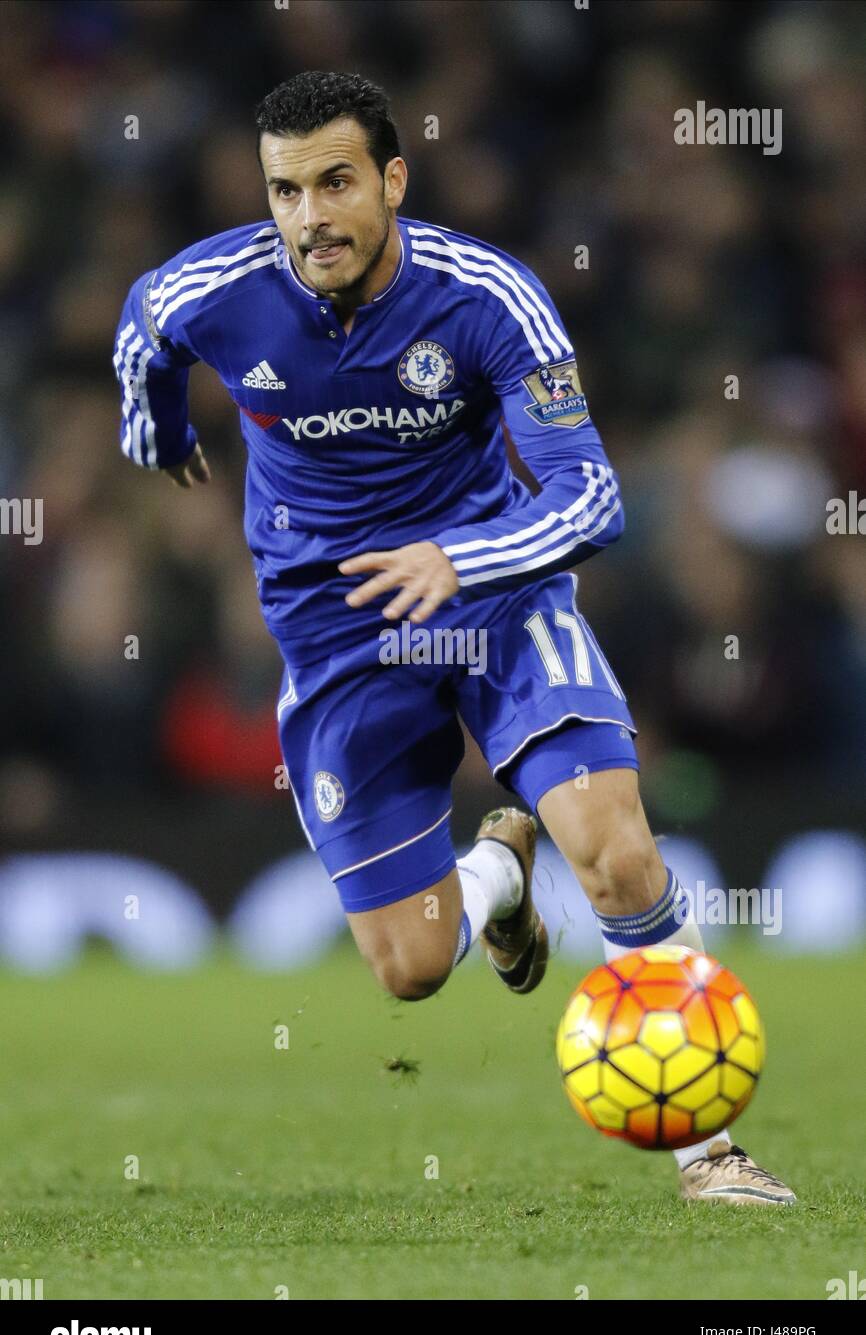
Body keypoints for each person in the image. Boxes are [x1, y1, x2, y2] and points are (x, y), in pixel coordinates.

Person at [113, 70, 794, 1205]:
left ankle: (709, 1155)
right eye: (285, 190)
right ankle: (495, 874)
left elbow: (591, 501)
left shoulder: (487, 297)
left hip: (491, 593)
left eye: (336, 182)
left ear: (392, 178)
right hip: (334, 630)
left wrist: (460, 558)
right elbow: (145, 334)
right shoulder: (214, 289)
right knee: (411, 968)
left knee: (617, 849)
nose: (309, 217)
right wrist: (160, 431)